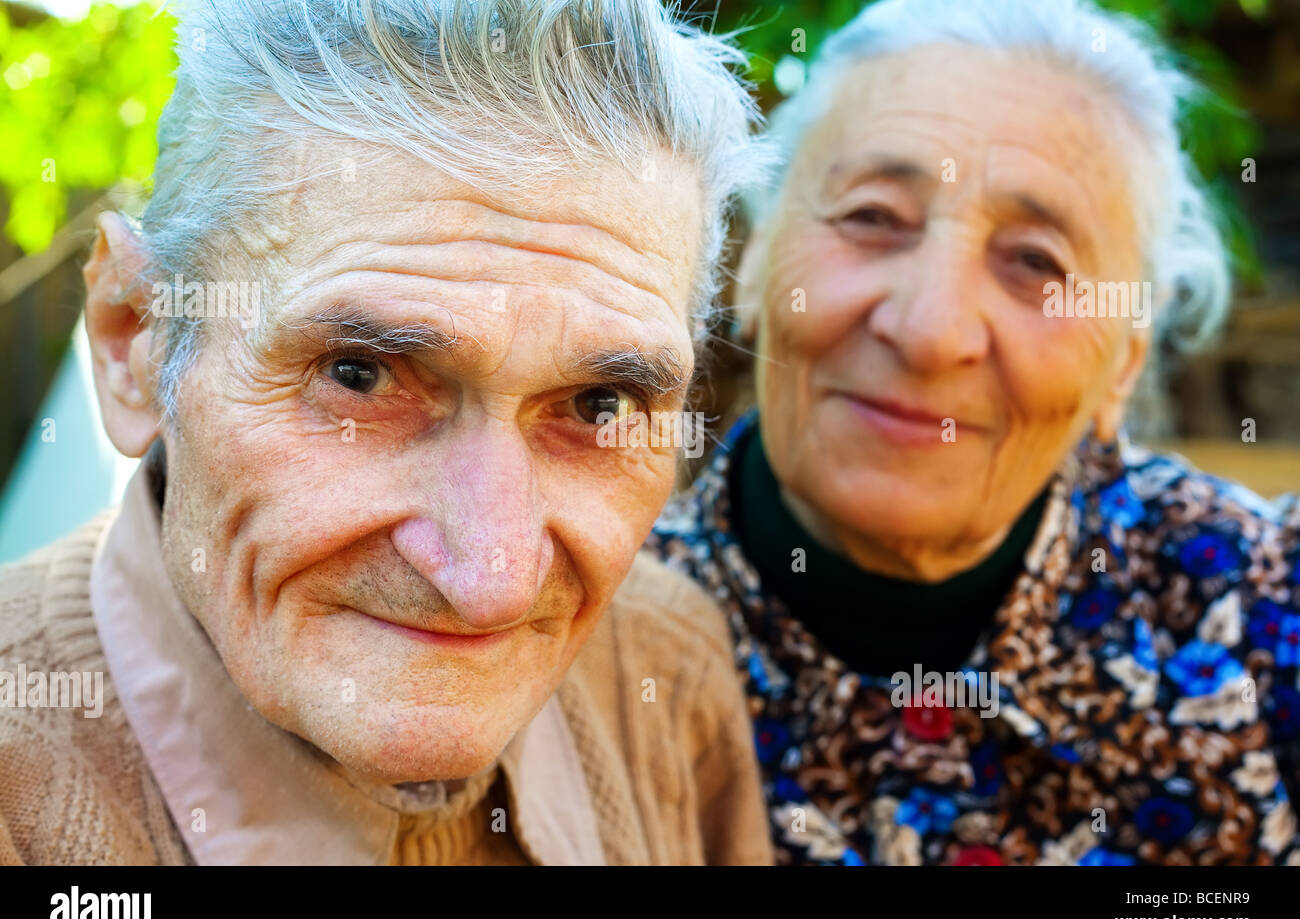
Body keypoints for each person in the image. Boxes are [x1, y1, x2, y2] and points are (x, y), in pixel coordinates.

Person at [0, 0, 772, 866]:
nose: (494, 583)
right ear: (132, 338)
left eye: (599, 405)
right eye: (360, 376)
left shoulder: (671, 670)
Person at [649, 0, 1300, 865]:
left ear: (1124, 366)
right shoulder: (581, 645)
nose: (930, 330)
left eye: (1036, 261)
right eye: (872, 216)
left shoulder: (1258, 612)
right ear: (758, 261)